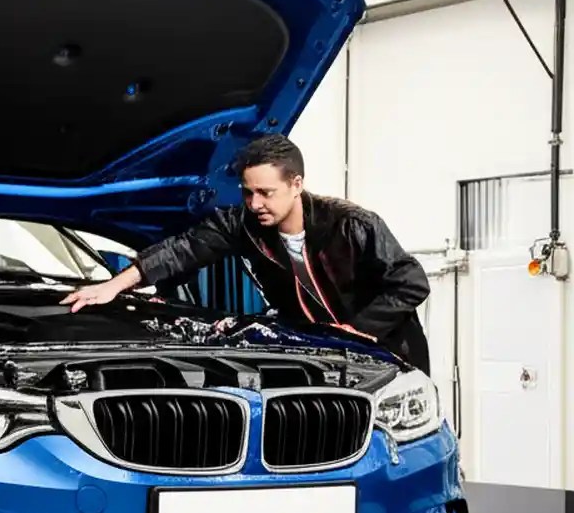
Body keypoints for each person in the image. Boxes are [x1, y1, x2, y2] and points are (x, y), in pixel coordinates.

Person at [61, 134, 432, 375]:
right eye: (247, 192)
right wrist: (116, 284)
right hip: (320, 358)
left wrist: (357, 331)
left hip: (389, 356)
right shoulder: (242, 225)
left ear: (296, 184)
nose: (255, 204)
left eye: (266, 192)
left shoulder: (353, 224)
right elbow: (183, 250)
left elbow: (411, 283)